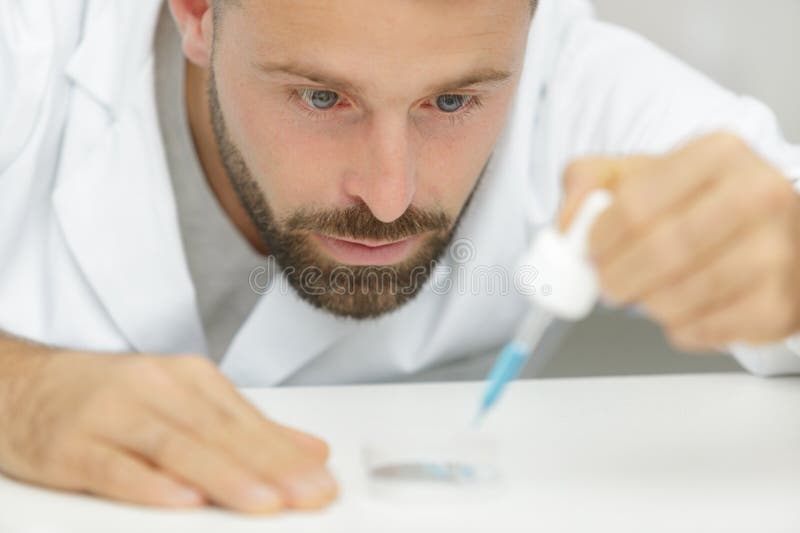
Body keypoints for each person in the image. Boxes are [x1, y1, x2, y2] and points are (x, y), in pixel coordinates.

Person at [0, 0, 798, 516]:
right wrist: (21, 389)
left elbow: (776, 204)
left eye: (451, 102)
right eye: (321, 97)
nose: (388, 197)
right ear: (200, 14)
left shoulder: (568, 76)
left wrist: (785, 269)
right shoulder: (26, 45)